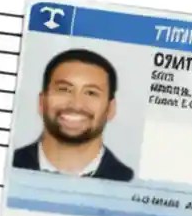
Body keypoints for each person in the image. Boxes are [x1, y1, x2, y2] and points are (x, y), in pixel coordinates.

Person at [12, 48, 134, 181]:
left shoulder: (129, 181)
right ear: (41, 102)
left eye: (91, 93)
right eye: (64, 90)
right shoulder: (9, 165)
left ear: (110, 108)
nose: (76, 105)